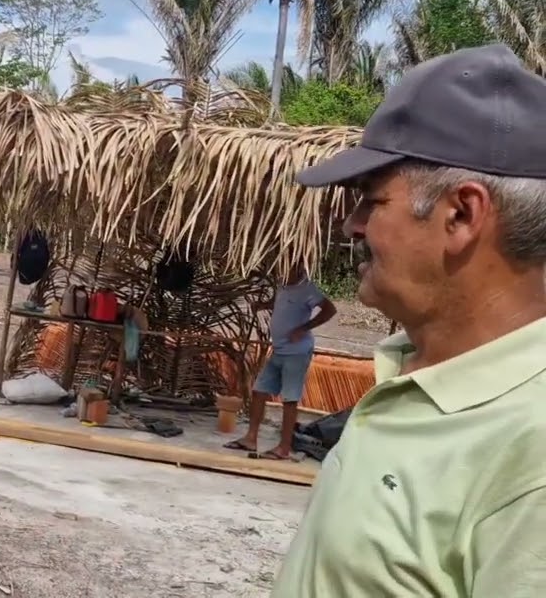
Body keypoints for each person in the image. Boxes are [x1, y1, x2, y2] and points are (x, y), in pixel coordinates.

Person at [271, 43, 546, 597]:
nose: (352, 224)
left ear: (462, 215)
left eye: (372, 201)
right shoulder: (409, 375)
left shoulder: (531, 451)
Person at [224, 265, 337, 460]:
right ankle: (251, 438)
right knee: (259, 390)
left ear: (298, 268)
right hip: (279, 350)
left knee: (290, 398)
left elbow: (330, 309)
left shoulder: (307, 289)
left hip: (296, 352)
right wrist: (263, 305)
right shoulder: (283, 286)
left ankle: (284, 447)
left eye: (286, 267)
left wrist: (303, 328)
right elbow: (280, 303)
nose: (281, 271)